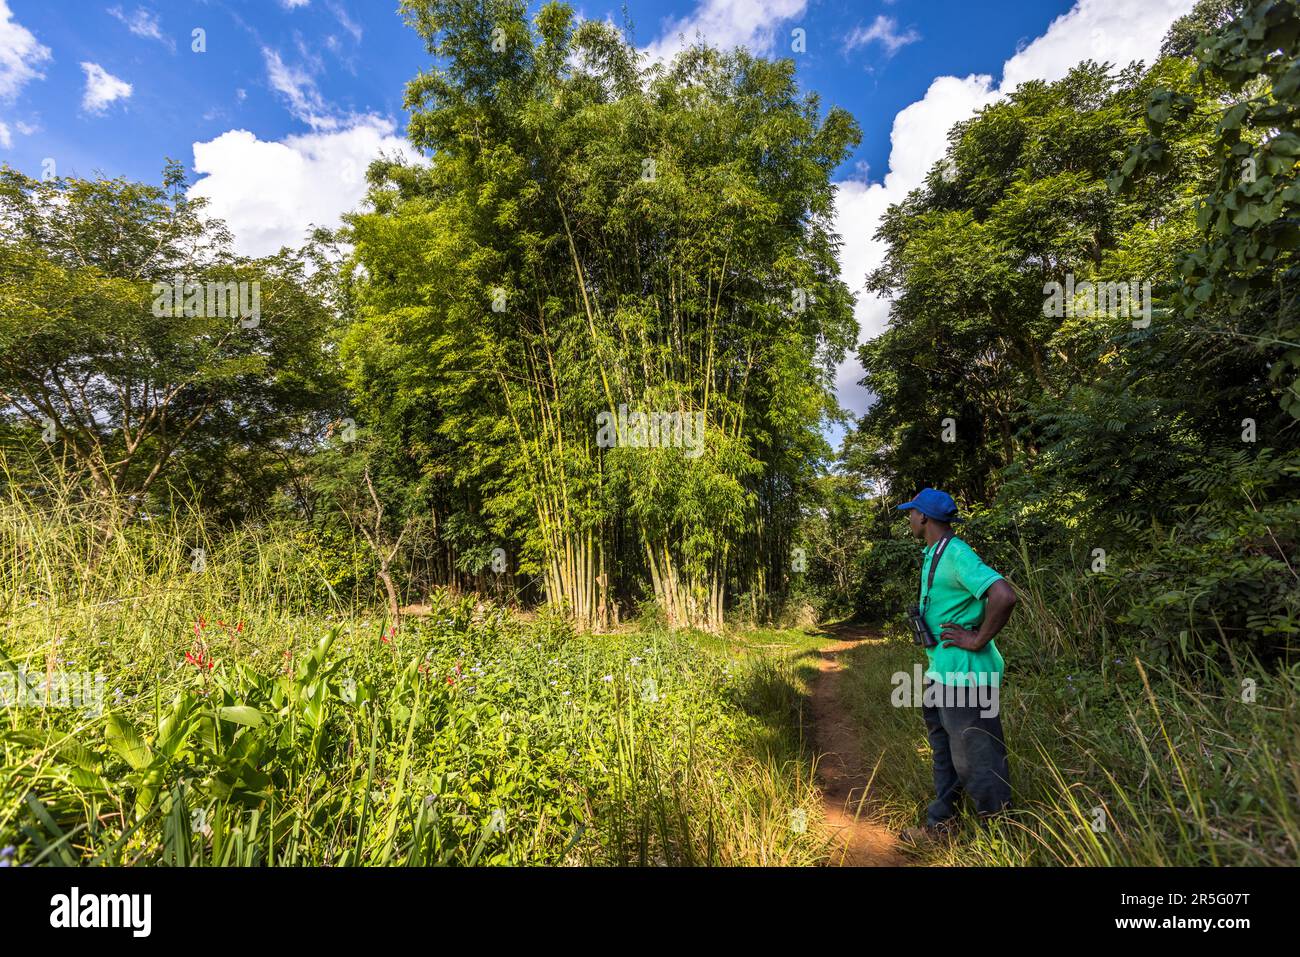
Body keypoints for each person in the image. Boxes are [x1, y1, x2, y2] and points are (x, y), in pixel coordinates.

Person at [894, 487, 1017, 847]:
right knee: (945, 755)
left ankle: (1004, 838)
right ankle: (940, 827)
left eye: (911, 512)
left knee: (977, 759)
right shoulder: (935, 553)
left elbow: (1003, 595)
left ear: (924, 518)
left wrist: (976, 639)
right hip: (941, 674)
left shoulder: (958, 554)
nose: (909, 518)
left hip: (968, 677)